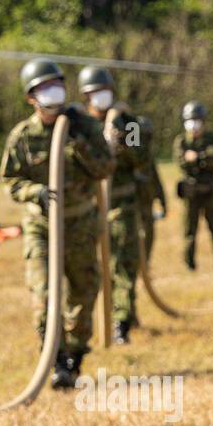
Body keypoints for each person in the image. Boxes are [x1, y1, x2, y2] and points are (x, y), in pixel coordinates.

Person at [0, 58, 113, 386]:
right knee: (44, 293)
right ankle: (55, 358)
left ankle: (75, 354)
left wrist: (81, 149)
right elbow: (10, 180)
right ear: (30, 96)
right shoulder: (23, 136)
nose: (54, 91)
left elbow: (106, 167)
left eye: (57, 84)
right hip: (41, 227)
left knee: (83, 289)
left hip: (79, 222)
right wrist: (34, 191)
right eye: (44, 86)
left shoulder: (84, 126)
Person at [77, 66, 149, 344]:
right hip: (89, 206)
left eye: (104, 91)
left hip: (122, 204)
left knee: (123, 264)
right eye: (95, 92)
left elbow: (141, 158)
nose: (101, 97)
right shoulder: (78, 124)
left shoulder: (127, 122)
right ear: (86, 95)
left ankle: (121, 323)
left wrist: (120, 142)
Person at [173, 101, 213, 269]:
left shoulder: (211, 138)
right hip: (191, 192)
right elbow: (181, 162)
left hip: (210, 190)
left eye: (197, 120)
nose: (194, 125)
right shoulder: (181, 141)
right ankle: (190, 264)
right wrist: (202, 159)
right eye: (191, 120)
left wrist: (197, 157)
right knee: (189, 230)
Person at [135, 114, 166, 266]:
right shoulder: (131, 157)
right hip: (133, 204)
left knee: (149, 235)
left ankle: (144, 265)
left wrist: (163, 201)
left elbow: (156, 180)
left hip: (147, 203)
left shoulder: (148, 157)